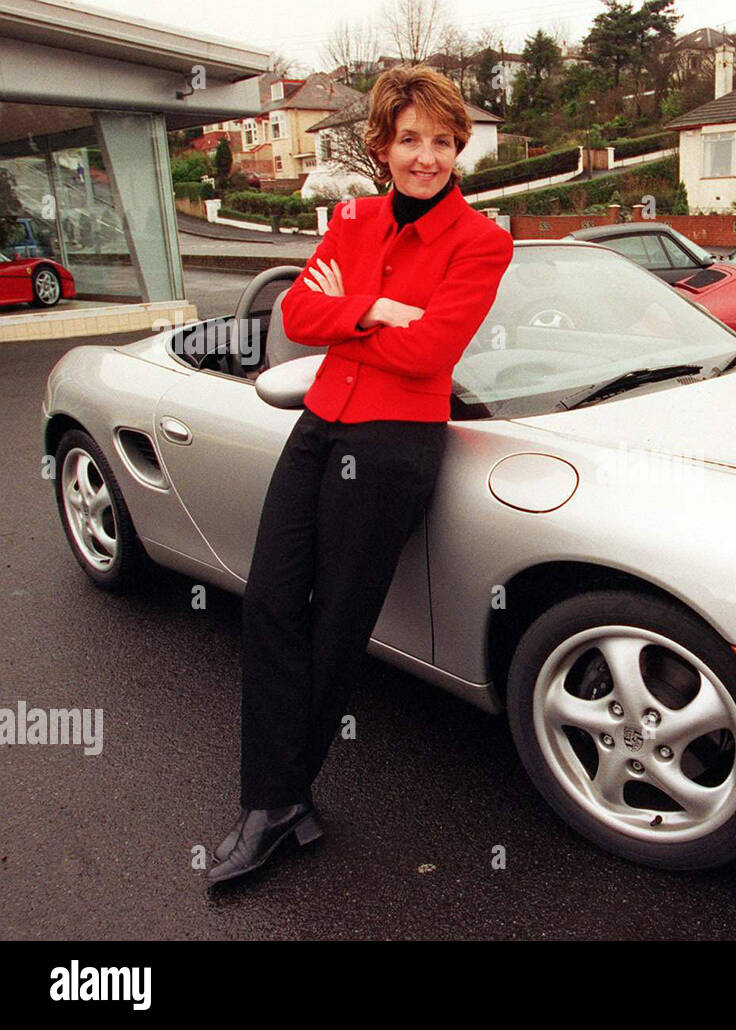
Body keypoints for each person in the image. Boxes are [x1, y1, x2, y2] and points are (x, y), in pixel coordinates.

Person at [205, 65, 514, 885]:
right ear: (381, 146)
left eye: (443, 142)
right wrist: (374, 309)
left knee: (334, 625)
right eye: (410, 139)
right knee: (269, 602)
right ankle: (280, 802)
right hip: (319, 426)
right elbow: (296, 315)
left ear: (458, 149)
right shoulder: (352, 219)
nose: (427, 157)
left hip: (390, 447)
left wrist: (347, 315)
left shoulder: (481, 240)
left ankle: (272, 804)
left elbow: (429, 355)